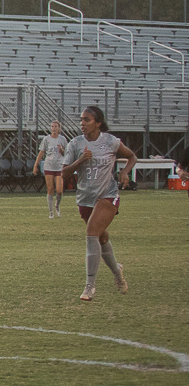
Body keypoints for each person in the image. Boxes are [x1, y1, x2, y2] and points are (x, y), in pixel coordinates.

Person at [60, 105, 134, 301]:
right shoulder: (75, 144)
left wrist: (125, 172)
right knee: (101, 238)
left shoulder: (110, 141)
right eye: (81, 120)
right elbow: (64, 173)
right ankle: (117, 272)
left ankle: (89, 286)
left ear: (98, 123)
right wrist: (80, 161)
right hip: (85, 198)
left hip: (108, 195)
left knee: (92, 233)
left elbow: (131, 156)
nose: (82, 123)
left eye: (87, 120)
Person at [34, 121, 67, 217]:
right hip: (49, 165)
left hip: (59, 166)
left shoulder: (62, 139)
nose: (54, 128)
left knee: (59, 190)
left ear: (59, 128)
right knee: (50, 189)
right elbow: (41, 152)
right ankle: (51, 211)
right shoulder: (46, 139)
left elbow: (67, 153)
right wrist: (36, 165)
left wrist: (61, 150)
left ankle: (57, 205)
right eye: (52, 126)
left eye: (56, 126)